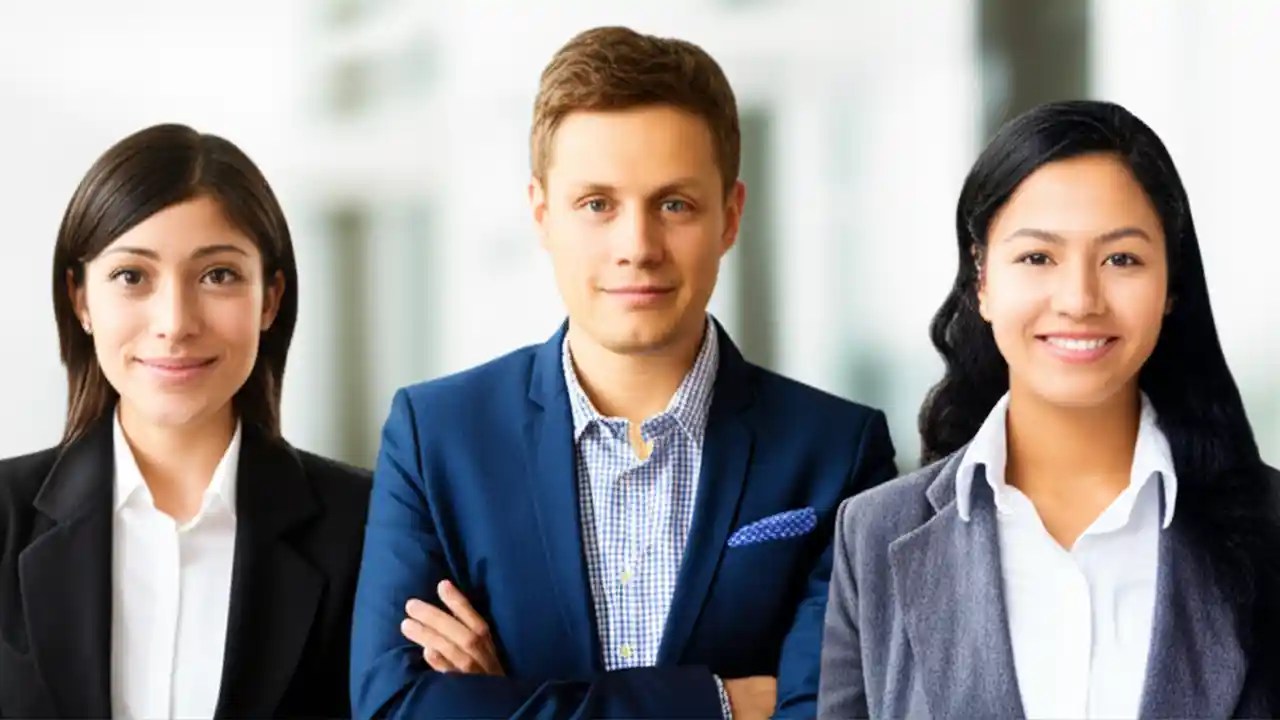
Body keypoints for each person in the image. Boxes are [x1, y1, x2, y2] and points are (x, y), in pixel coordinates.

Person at [350, 25, 897, 720]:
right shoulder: (437, 439)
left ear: (730, 216)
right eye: (597, 205)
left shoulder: (839, 452)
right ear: (542, 215)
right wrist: (722, 702)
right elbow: (398, 707)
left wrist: (508, 701)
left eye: (674, 204)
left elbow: (830, 709)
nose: (637, 246)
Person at [818, 100, 1280, 719]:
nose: (1079, 299)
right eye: (1037, 257)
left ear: (1171, 286)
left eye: (1122, 259)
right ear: (982, 281)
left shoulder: (1269, 527)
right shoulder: (875, 533)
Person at [0, 124, 371, 719]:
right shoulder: (5, 518)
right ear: (80, 298)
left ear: (271, 298)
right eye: (131, 276)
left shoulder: (369, 527)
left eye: (218, 275)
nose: (175, 322)